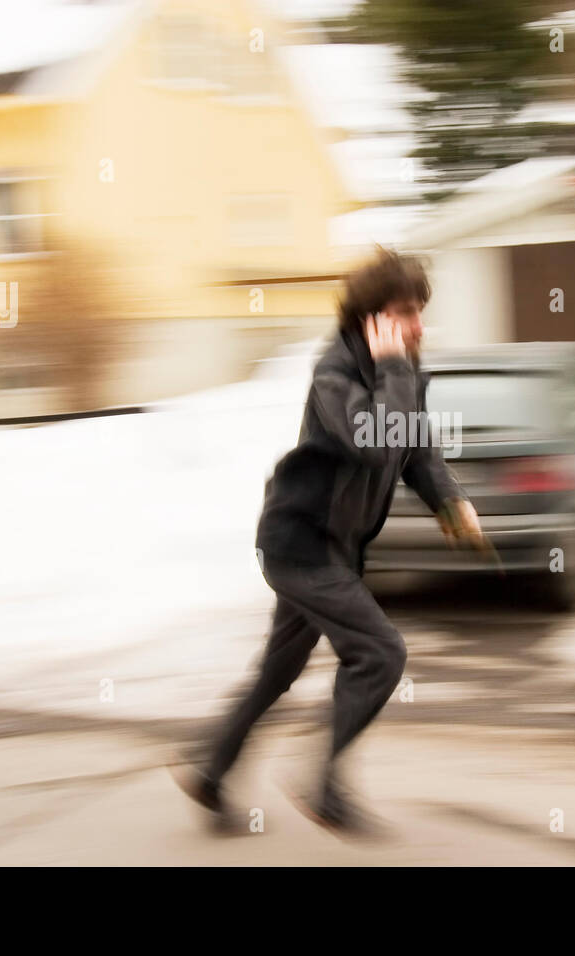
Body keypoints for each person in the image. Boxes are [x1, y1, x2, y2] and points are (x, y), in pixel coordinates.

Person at [172, 247, 484, 836]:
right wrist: (394, 369)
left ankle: (209, 772)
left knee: (278, 673)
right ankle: (323, 787)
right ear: (370, 318)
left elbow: (415, 449)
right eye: (403, 311)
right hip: (299, 544)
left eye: (419, 310)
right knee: (380, 653)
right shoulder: (335, 373)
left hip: (331, 547)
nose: (417, 324)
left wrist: (451, 499)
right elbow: (371, 439)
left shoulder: (403, 373)